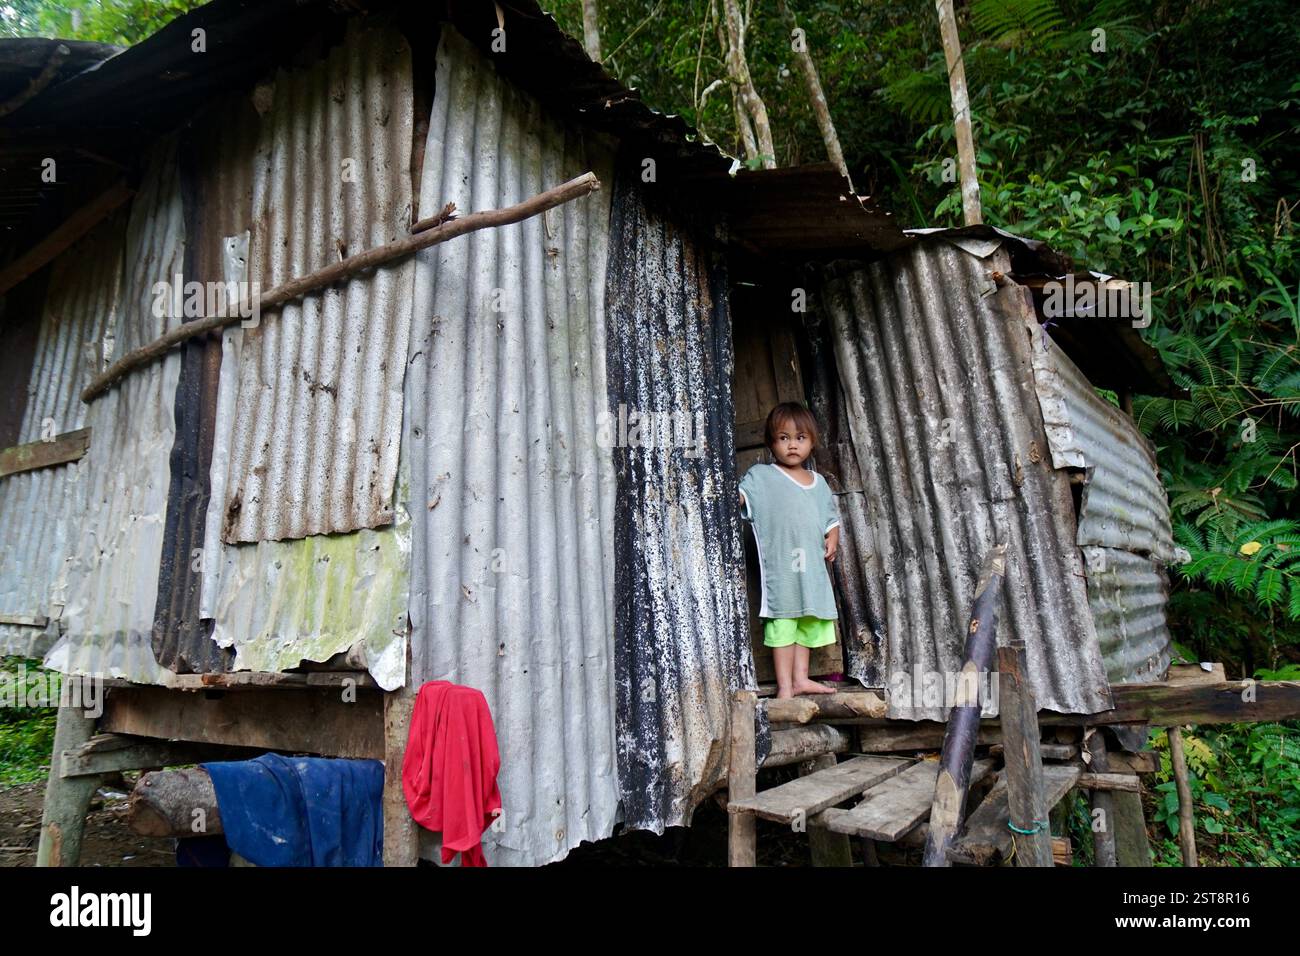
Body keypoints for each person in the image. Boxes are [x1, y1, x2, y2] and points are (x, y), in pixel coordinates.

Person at [738, 402, 841, 699]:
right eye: (783, 438)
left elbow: (829, 517)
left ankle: (800, 678)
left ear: (811, 441)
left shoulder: (818, 482)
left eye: (800, 438)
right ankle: (785, 687)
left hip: (811, 566)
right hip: (781, 566)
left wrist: (832, 535)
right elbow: (741, 497)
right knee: (783, 622)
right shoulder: (762, 476)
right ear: (772, 443)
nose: (792, 445)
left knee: (807, 618)